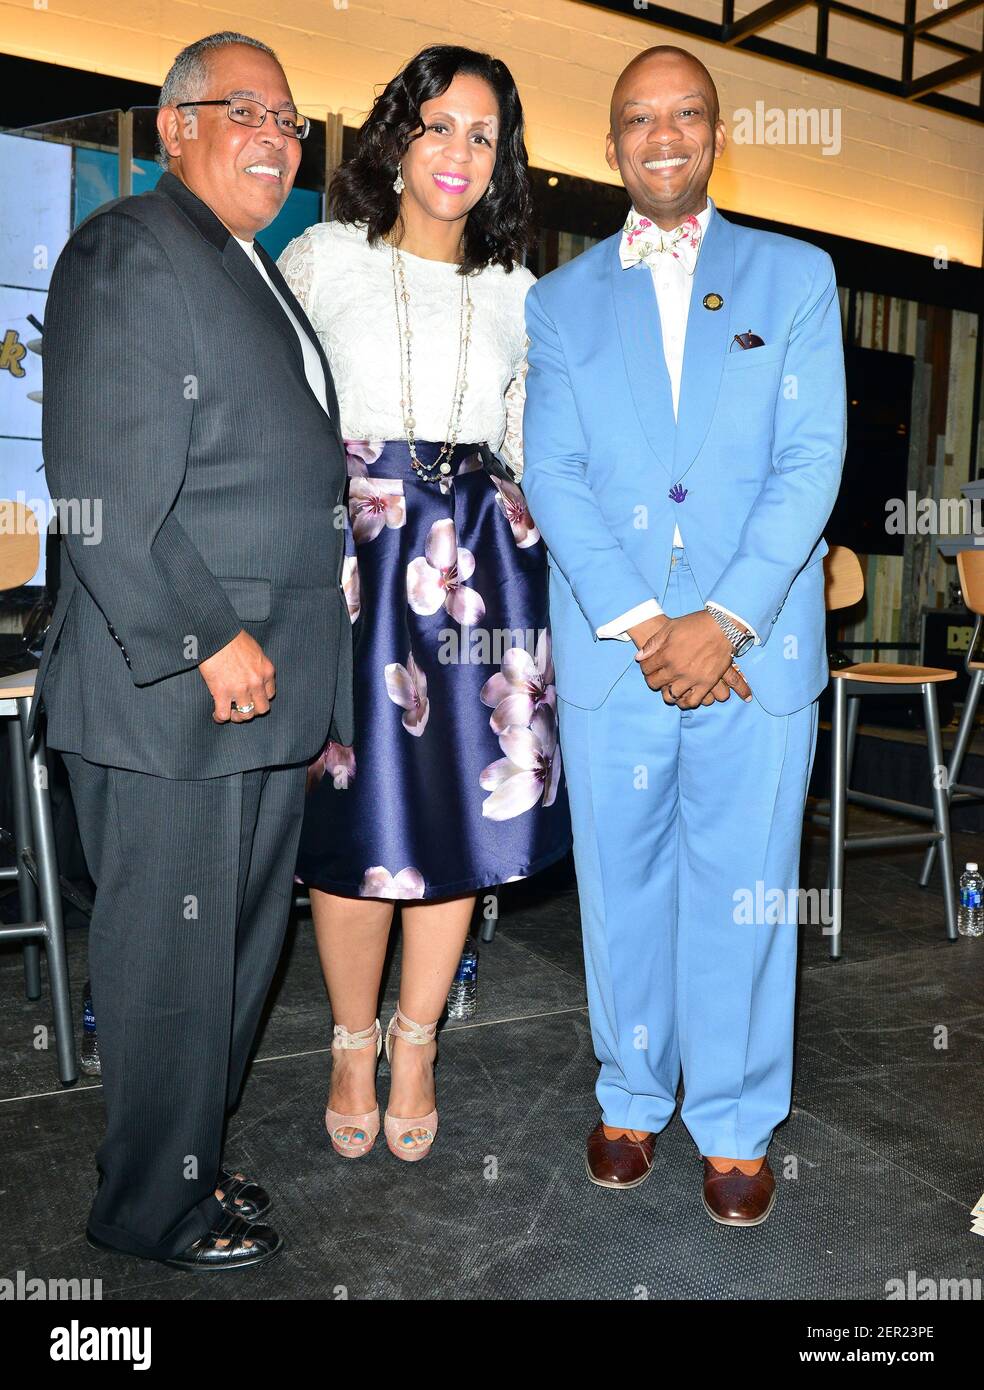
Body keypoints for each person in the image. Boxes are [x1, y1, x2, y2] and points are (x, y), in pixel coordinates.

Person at [33, 30, 352, 1268]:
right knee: (174, 968)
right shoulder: (130, 248)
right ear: (174, 127)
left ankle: (189, 1170)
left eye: (290, 120)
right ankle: (149, 1209)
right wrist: (209, 637)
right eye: (246, 112)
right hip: (178, 687)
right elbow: (102, 486)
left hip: (261, 691)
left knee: (229, 957)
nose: (276, 136)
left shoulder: (242, 265)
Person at [522, 46, 846, 1225]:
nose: (663, 135)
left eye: (686, 115)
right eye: (637, 119)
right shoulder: (556, 301)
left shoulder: (798, 275)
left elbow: (813, 464)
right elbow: (552, 471)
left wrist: (726, 619)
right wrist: (651, 624)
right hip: (619, 653)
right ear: (611, 145)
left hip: (756, 652)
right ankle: (629, 1091)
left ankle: (740, 1121)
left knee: (747, 888)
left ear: (716, 134)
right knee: (622, 888)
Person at [277, 44, 570, 1164]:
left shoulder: (518, 292)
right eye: (438, 125)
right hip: (349, 561)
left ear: (502, 164)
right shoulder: (321, 257)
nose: (457, 152)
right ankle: (350, 1040)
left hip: (479, 568)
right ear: (398, 137)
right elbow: (281, 422)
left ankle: (416, 1042)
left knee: (456, 815)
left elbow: (537, 447)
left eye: (482, 136)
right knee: (354, 824)